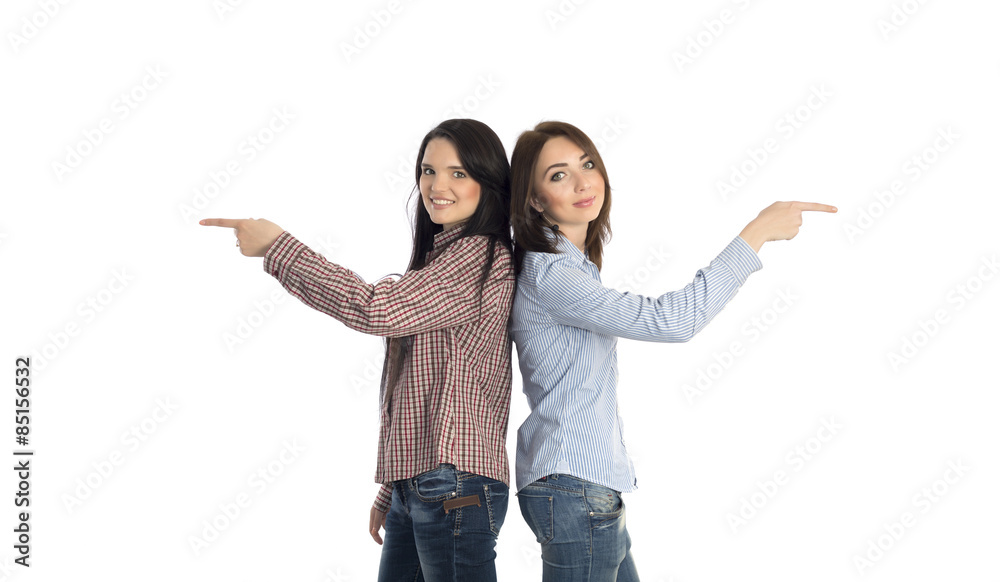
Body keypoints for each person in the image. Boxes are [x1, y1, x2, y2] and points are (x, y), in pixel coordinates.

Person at [508, 120, 837, 580]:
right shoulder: (552, 275)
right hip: (574, 489)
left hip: (588, 488)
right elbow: (673, 320)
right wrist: (755, 234)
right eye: (558, 175)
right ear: (534, 199)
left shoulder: (572, 269)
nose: (584, 181)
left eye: (588, 164)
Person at [200, 118, 516, 581]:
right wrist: (395, 488)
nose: (436, 185)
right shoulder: (443, 259)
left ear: (489, 185)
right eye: (428, 171)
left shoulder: (479, 257)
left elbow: (374, 309)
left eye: (458, 173)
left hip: (453, 485)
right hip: (425, 484)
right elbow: (423, 386)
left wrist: (278, 248)